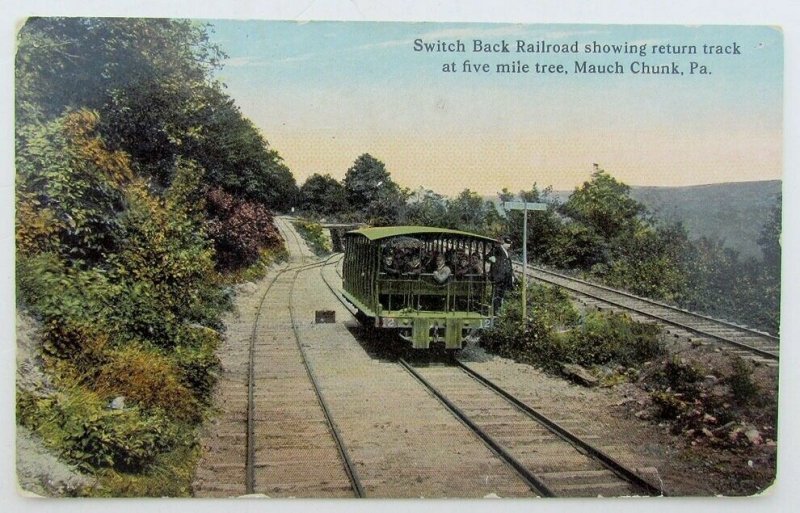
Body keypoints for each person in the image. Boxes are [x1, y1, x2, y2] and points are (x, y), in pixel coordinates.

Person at [489, 236, 514, 311]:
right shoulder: (497, 250)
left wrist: (512, 275)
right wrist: (492, 259)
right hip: (498, 277)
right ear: (504, 243)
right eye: (508, 243)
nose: (509, 245)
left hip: (506, 277)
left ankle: (500, 310)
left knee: (503, 294)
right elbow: (488, 256)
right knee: (497, 294)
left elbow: (509, 265)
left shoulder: (507, 253)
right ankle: (495, 311)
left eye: (509, 244)